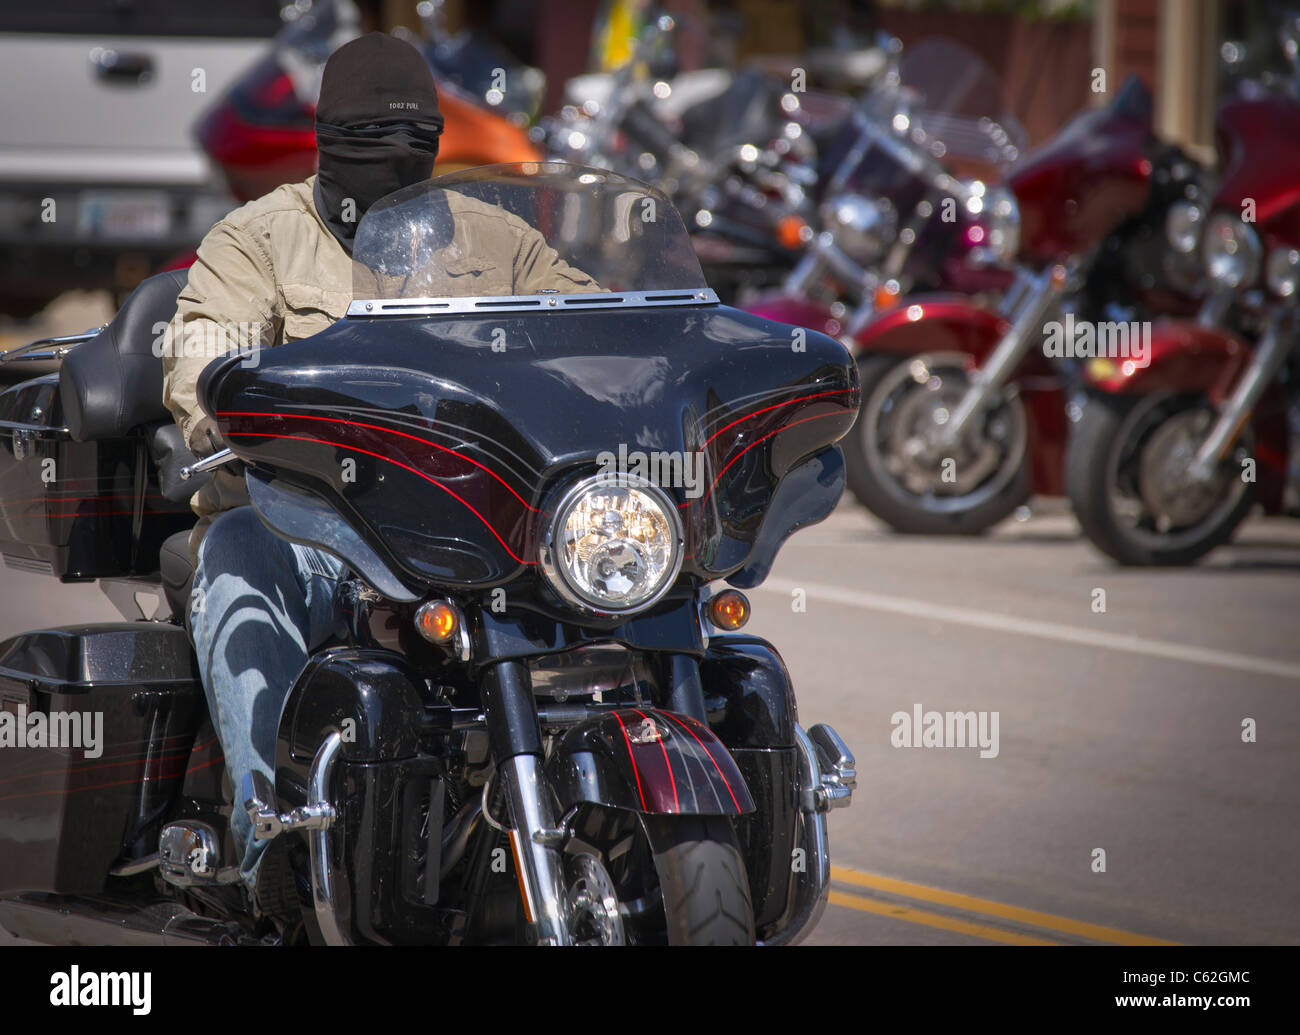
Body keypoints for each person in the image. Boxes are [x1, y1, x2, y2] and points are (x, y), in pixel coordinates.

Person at [159, 32, 591, 902]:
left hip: (478, 531)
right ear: (323, 142)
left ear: (437, 141)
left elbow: (595, 325)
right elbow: (202, 358)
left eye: (412, 145)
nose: (391, 168)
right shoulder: (258, 240)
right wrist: (234, 402)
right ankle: (272, 843)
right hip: (317, 531)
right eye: (366, 148)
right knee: (240, 551)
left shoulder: (499, 242)